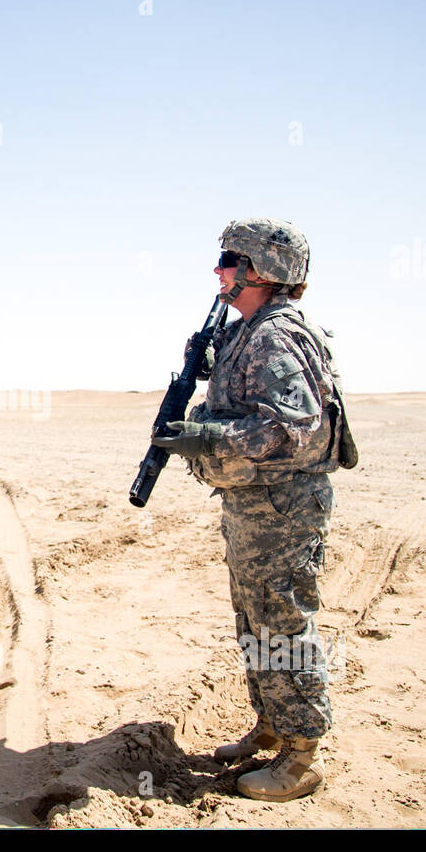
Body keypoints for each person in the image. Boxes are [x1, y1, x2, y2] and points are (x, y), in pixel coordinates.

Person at [152, 218, 355, 802]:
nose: (217, 270)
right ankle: (271, 725)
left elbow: (289, 429)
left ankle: (301, 757)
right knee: (254, 618)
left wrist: (207, 440)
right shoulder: (247, 329)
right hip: (254, 504)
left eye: (228, 259)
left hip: (283, 507)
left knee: (284, 623)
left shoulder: (275, 333)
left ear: (262, 269)